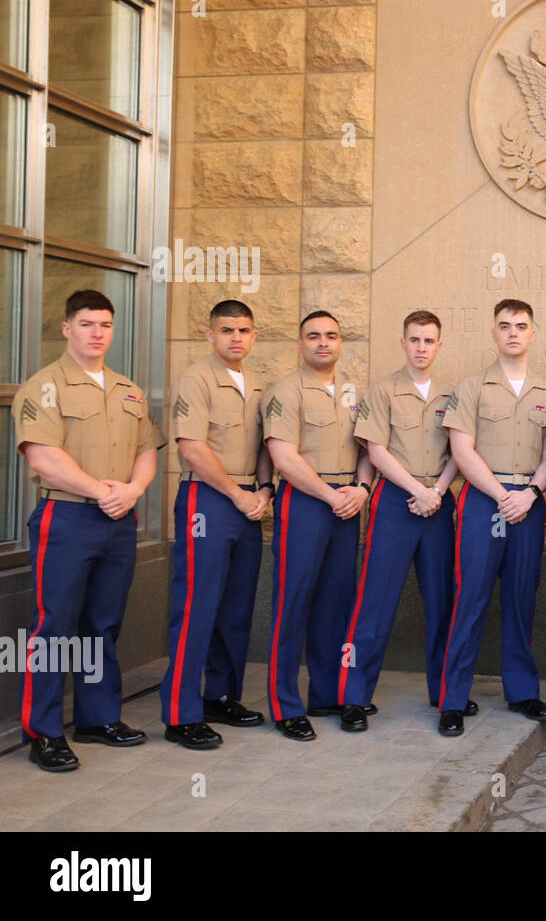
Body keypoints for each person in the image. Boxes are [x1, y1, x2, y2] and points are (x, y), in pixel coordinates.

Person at [12, 289, 165, 772]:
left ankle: (98, 718)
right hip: (69, 517)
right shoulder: (45, 387)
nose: (96, 333)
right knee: (54, 628)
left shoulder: (128, 389)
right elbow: (44, 459)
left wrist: (134, 490)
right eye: (86, 324)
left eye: (104, 325)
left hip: (119, 518)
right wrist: (102, 491)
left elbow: (147, 448)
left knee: (103, 623)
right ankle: (44, 731)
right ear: (66, 328)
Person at [437, 299, 546, 736]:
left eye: (521, 326)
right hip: (482, 502)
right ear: (494, 333)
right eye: (504, 325)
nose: (512, 332)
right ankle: (453, 698)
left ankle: (522, 690)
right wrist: (500, 494)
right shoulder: (471, 388)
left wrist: (528, 494)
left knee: (521, 598)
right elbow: (461, 450)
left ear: (532, 333)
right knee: (469, 599)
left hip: (527, 503)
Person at [340, 310, 466, 731]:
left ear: (439, 344)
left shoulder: (455, 393)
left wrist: (437, 492)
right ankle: (355, 697)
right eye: (415, 340)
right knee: (374, 601)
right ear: (403, 342)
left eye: (429, 341)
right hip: (396, 502)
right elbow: (376, 452)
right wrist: (417, 491)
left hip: (438, 501)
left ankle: (446, 695)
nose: (422, 348)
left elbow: (458, 453)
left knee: (443, 601)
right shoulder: (383, 391)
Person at [160, 300, 272, 749]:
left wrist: (264, 490)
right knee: (197, 606)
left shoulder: (260, 384)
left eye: (244, 330)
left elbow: (267, 443)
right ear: (210, 334)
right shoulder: (195, 379)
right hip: (207, 500)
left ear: (254, 335)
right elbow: (192, 448)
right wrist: (238, 494)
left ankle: (221, 695)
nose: (236, 338)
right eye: (227, 330)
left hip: (248, 502)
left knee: (236, 607)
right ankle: (180, 713)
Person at [262, 310, 373, 741]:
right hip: (308, 504)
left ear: (341, 342)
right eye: (313, 336)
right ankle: (284, 703)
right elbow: (284, 458)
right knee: (293, 604)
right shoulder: (285, 392)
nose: (323, 343)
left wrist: (362, 489)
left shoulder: (351, 390)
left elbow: (367, 445)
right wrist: (331, 497)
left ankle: (327, 693)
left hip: (347, 504)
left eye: (331, 336)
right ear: (300, 344)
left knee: (337, 603)